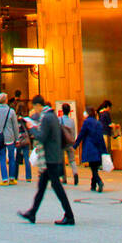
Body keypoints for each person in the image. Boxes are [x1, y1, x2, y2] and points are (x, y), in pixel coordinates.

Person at [18, 96, 75, 226]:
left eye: (34, 107)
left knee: (56, 186)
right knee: (43, 186)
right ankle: (32, 213)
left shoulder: (46, 117)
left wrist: (30, 127)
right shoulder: (52, 115)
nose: (34, 110)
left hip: (50, 157)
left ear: (38, 105)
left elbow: (41, 137)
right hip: (54, 155)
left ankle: (69, 215)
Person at [0, 91, 20, 185]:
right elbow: (15, 126)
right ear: (6, 100)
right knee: (11, 157)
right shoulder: (11, 111)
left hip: (0, 136)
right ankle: (12, 178)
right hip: (10, 136)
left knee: (2, 157)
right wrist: (17, 138)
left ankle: (4, 178)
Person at [76, 106, 107, 191]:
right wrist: (104, 150)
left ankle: (99, 182)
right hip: (98, 148)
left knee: (93, 168)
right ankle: (93, 185)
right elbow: (101, 137)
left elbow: (81, 134)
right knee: (95, 167)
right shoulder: (98, 123)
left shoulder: (87, 122)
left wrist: (75, 145)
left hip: (90, 147)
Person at [59, 103, 79, 185]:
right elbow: (73, 132)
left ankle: (64, 178)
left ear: (62, 111)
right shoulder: (72, 121)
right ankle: (75, 173)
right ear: (69, 111)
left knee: (62, 161)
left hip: (62, 142)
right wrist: (73, 141)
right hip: (70, 142)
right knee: (72, 160)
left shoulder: (59, 120)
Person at [15, 106, 32, 182]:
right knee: (26, 158)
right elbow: (30, 128)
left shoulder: (15, 119)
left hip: (18, 139)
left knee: (17, 159)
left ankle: (15, 175)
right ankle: (28, 176)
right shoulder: (26, 119)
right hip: (25, 140)